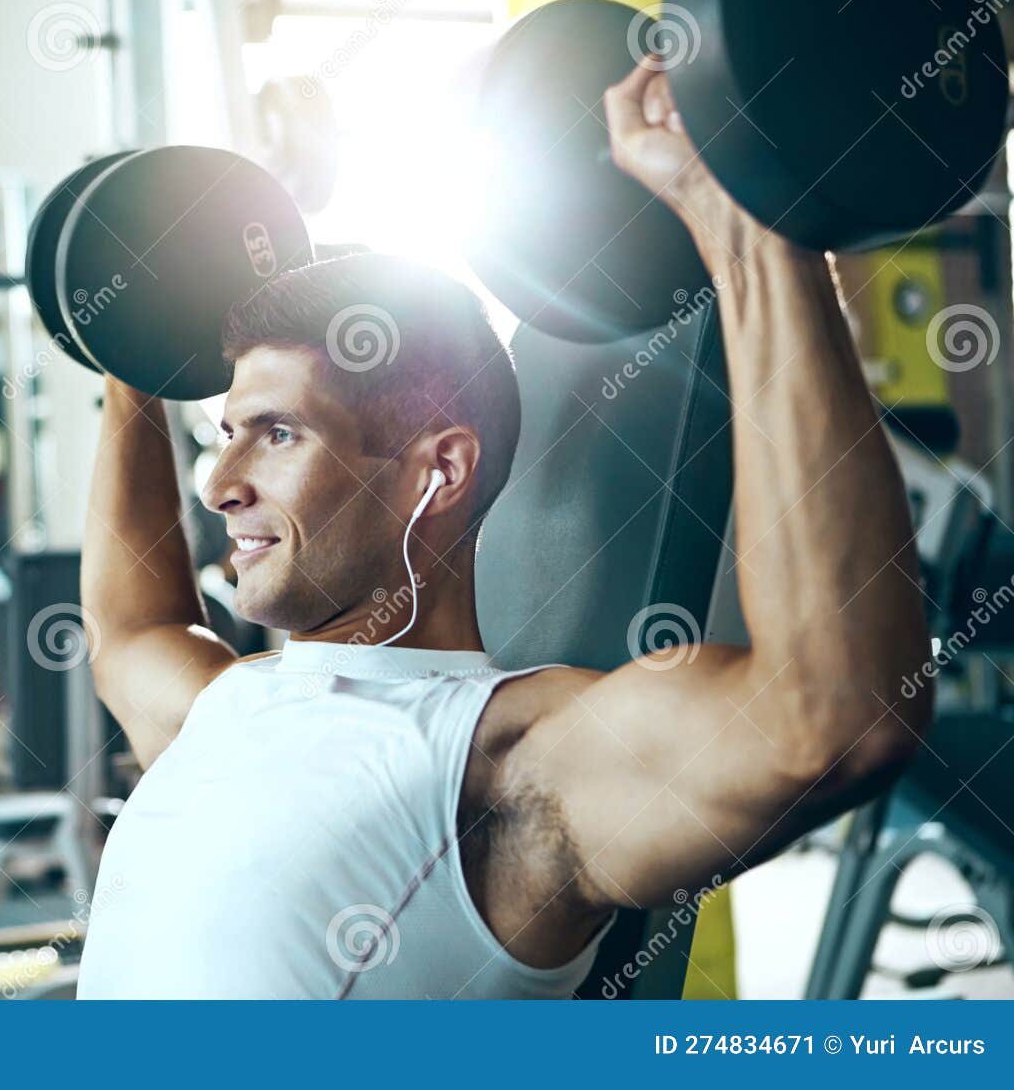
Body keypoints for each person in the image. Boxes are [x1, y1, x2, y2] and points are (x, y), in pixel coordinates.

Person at [74, 61, 933, 997]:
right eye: (226, 434)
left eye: (279, 435)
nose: (221, 486)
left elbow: (834, 719)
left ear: (438, 471)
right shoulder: (222, 711)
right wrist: (136, 351)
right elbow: (131, 633)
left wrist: (755, 233)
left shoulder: (507, 766)